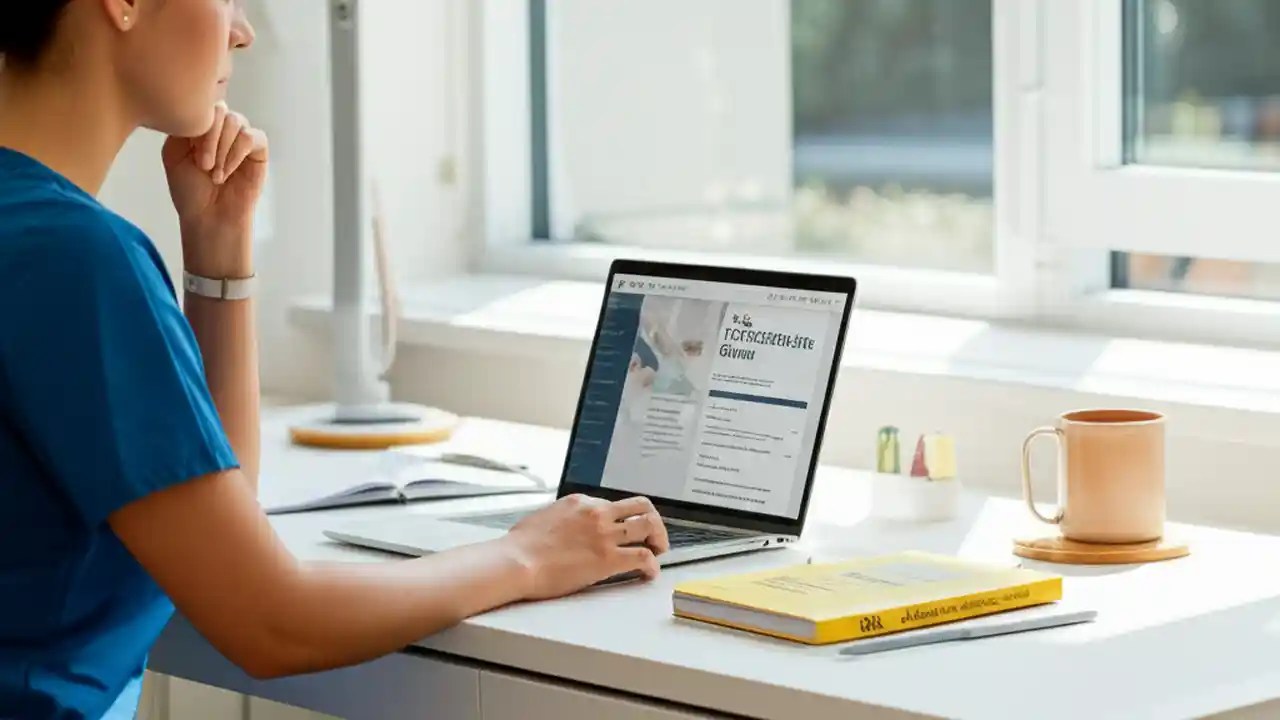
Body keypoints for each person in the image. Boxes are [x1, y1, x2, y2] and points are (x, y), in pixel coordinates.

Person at [0, 1, 669, 718]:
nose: (242, 30)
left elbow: (220, 530)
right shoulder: (78, 258)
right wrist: (527, 556)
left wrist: (219, 250)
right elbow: (269, 620)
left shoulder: (38, 232)